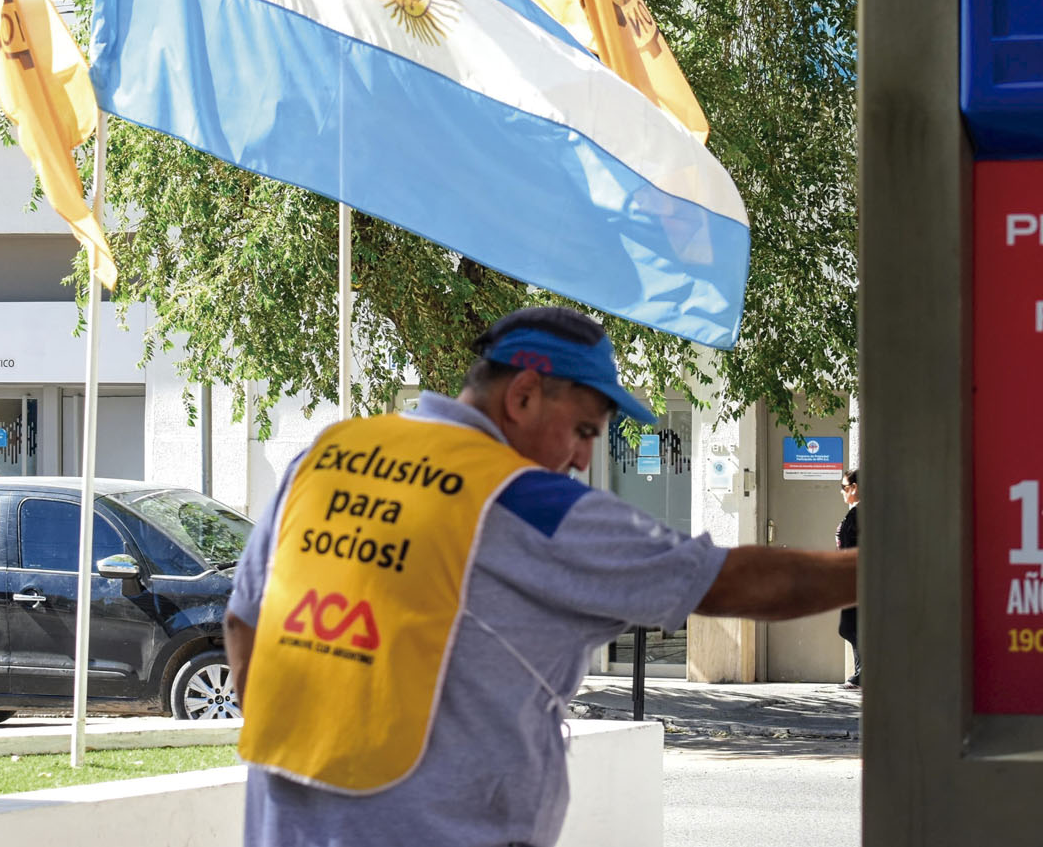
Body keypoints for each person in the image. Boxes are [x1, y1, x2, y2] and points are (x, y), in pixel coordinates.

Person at [225, 306, 858, 847]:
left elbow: (243, 621)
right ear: (524, 394)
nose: (584, 458)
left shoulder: (328, 456)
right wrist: (896, 568)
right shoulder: (526, 504)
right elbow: (730, 582)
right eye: (584, 430)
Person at [836, 468, 861, 689]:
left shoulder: (859, 514)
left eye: (844, 488)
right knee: (850, 625)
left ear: (854, 488)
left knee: (851, 626)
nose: (842, 492)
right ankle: (861, 673)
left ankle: (862, 674)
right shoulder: (855, 513)